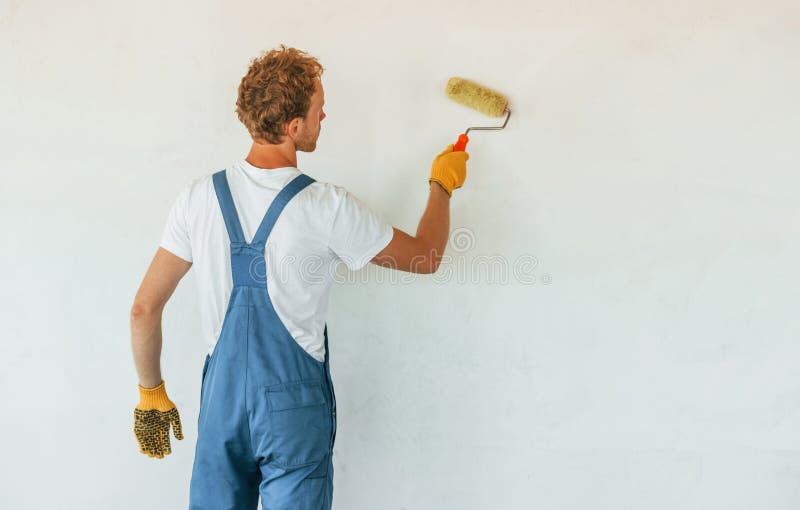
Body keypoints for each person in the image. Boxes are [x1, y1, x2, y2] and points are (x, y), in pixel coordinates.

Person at [129, 44, 468, 509]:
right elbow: (426, 256)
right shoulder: (325, 206)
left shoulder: (197, 198)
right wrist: (441, 186)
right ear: (293, 128)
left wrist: (152, 393)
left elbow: (144, 308)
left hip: (221, 412)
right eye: (317, 109)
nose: (324, 114)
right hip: (291, 413)